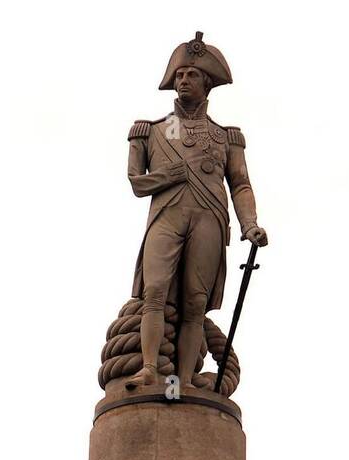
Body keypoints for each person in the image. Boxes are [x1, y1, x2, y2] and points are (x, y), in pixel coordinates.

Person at [125, 32, 268, 392]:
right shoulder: (153, 130)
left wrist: (249, 224)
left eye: (191, 75)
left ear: (207, 82)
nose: (184, 81)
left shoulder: (226, 136)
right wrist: (168, 175)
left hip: (209, 217)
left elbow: (240, 183)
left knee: (194, 303)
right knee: (154, 291)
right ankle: (148, 369)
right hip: (167, 215)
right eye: (179, 75)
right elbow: (136, 182)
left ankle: (181, 382)